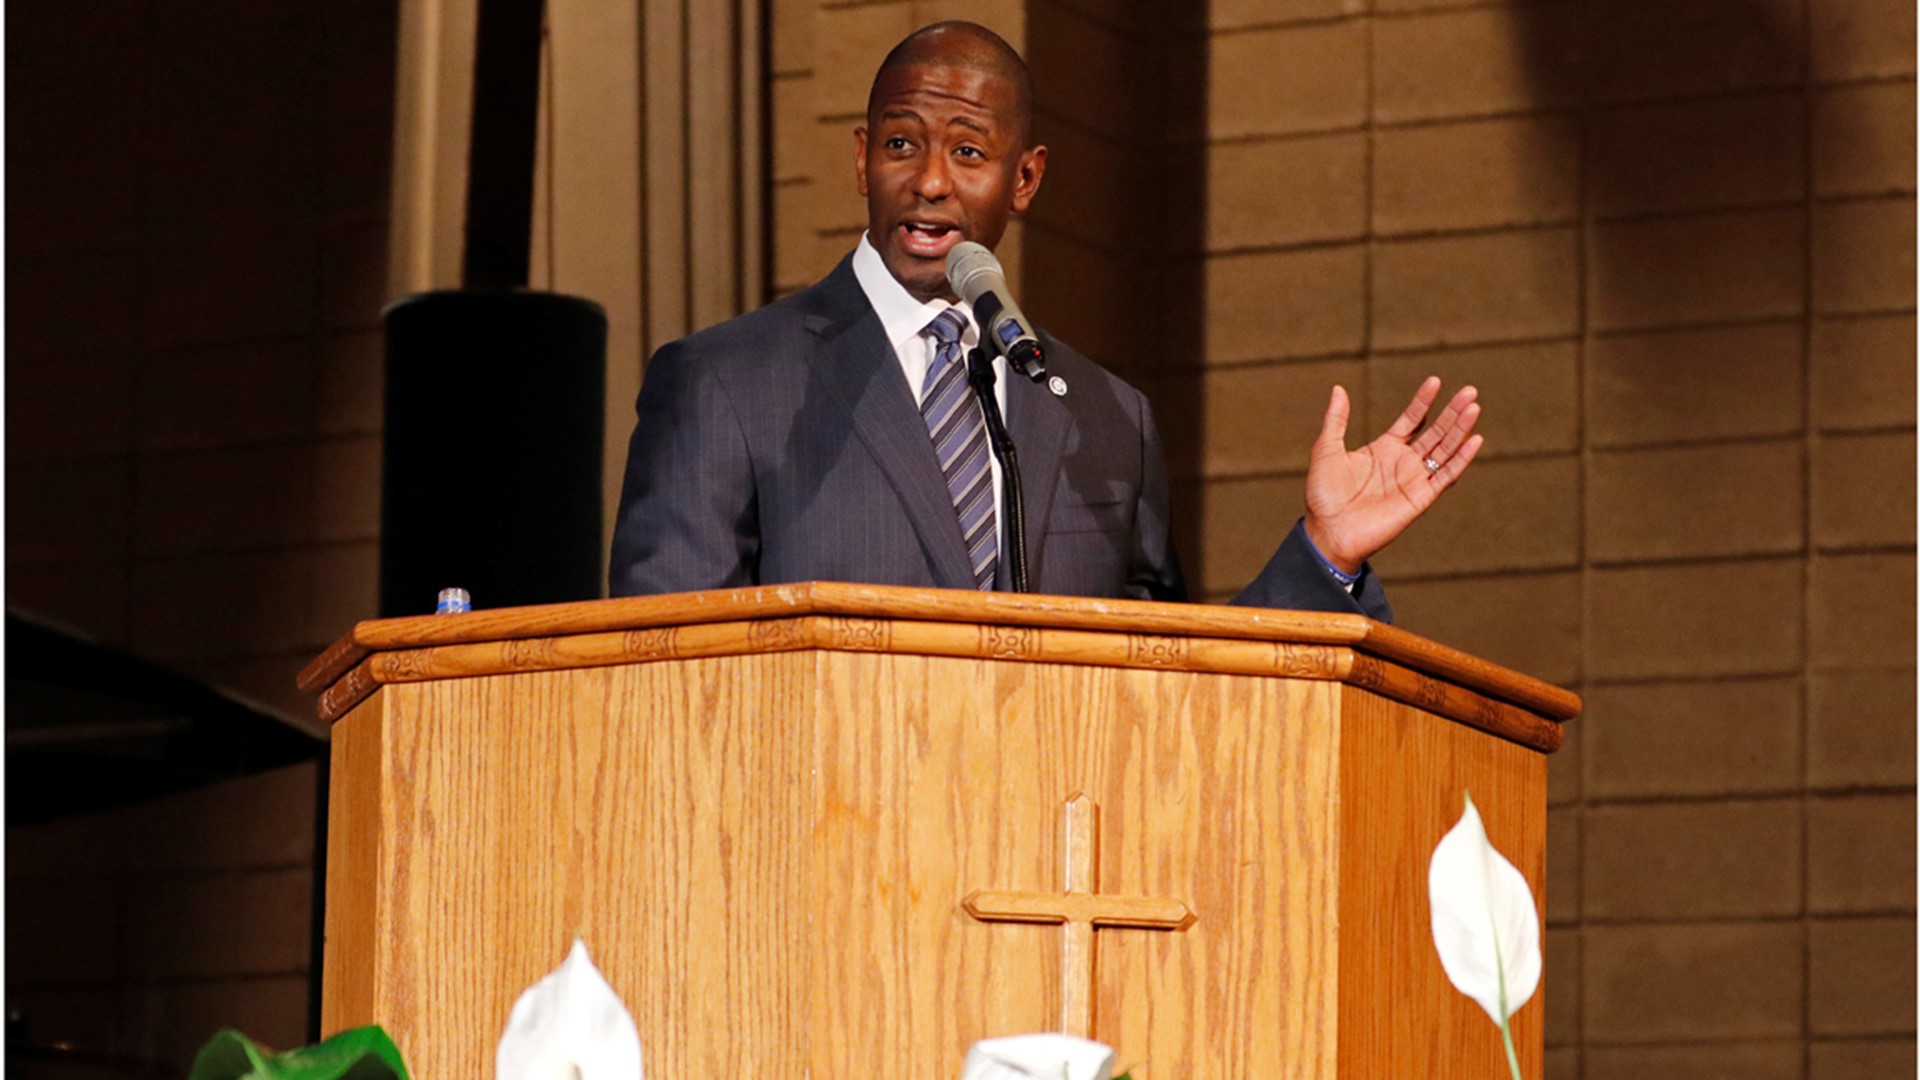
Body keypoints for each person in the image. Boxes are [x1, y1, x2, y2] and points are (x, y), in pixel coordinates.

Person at [609, 21, 1482, 620]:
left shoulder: (1106, 417)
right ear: (862, 157)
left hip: (1049, 873)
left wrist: (1324, 555)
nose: (931, 182)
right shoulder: (729, 383)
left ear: (1024, 181)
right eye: (902, 143)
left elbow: (1167, 687)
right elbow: (667, 673)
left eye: (969, 152)